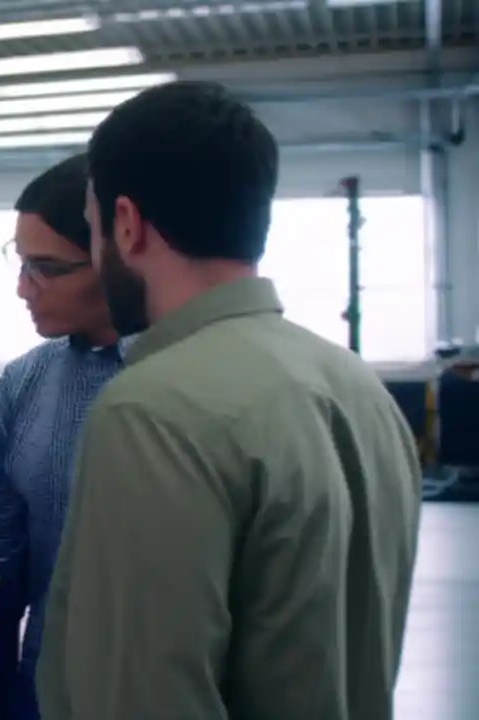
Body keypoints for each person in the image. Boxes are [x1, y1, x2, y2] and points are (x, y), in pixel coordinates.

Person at [36, 80, 423, 719]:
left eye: (93, 225)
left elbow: (141, 697)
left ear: (126, 224)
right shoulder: (359, 387)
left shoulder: (153, 411)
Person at [0, 153, 126, 720]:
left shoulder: (192, 382)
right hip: (46, 696)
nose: (24, 289)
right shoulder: (21, 386)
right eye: (20, 263)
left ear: (116, 257)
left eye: (47, 269)